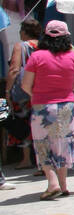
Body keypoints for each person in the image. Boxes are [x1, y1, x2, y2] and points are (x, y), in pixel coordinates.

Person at [22, 20, 74, 199]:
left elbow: (25, 84)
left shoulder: (37, 56)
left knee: (43, 143)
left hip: (43, 105)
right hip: (67, 105)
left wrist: (38, 95)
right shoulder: (72, 56)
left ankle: (52, 183)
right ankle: (64, 185)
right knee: (63, 144)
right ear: (66, 36)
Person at [4, 18, 40, 170]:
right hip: (39, 90)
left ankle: (26, 159)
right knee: (38, 124)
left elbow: (14, 70)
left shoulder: (21, 46)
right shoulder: (43, 45)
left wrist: (7, 91)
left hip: (24, 91)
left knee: (22, 122)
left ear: (24, 32)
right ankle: (39, 158)